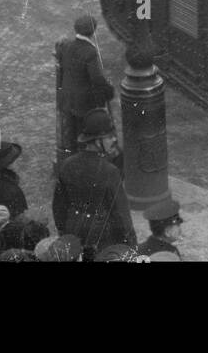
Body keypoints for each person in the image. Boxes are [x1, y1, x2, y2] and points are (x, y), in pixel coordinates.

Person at [51, 108, 136, 257]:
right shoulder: (110, 171)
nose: (114, 140)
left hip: (73, 232)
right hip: (103, 238)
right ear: (98, 141)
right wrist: (131, 245)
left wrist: (65, 233)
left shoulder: (67, 164)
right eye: (109, 137)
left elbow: (58, 207)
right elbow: (122, 216)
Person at [54, 14, 115, 159]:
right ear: (93, 31)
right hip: (83, 102)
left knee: (72, 132)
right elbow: (96, 78)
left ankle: (72, 157)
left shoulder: (68, 46)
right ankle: (84, 159)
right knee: (84, 132)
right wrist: (108, 90)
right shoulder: (90, 52)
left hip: (68, 98)